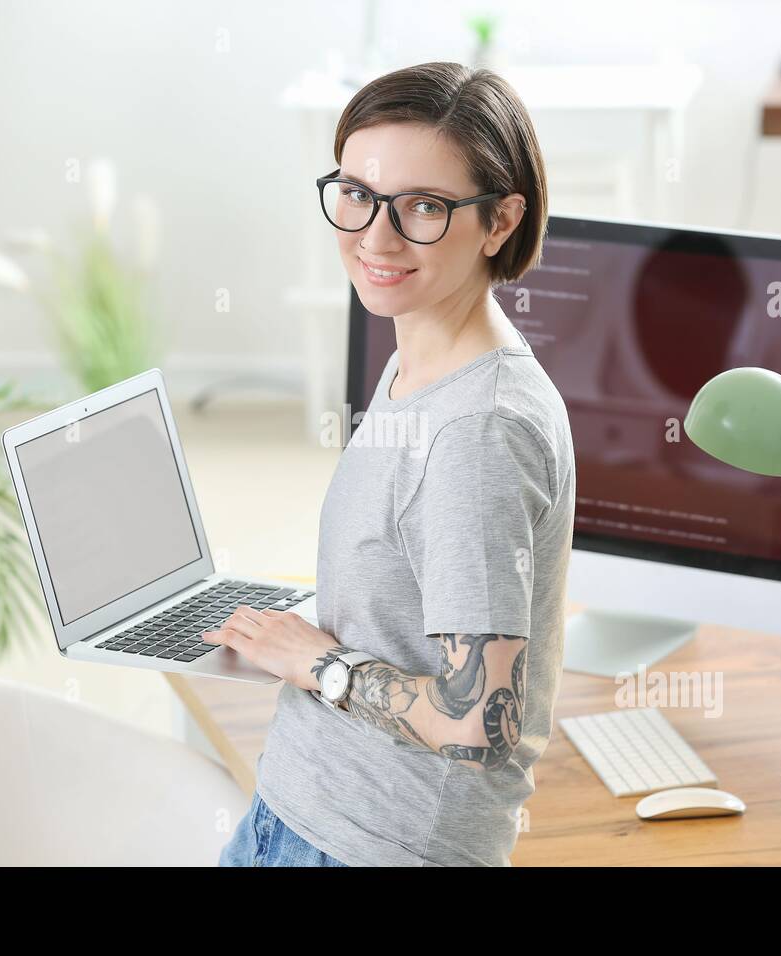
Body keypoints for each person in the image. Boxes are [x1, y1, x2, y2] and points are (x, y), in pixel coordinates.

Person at [210, 61, 575, 867]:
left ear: (500, 221)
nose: (375, 238)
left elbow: (482, 718)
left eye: (423, 207)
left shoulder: (477, 431)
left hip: (373, 846)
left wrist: (315, 661)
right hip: (301, 812)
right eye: (357, 194)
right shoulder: (422, 348)